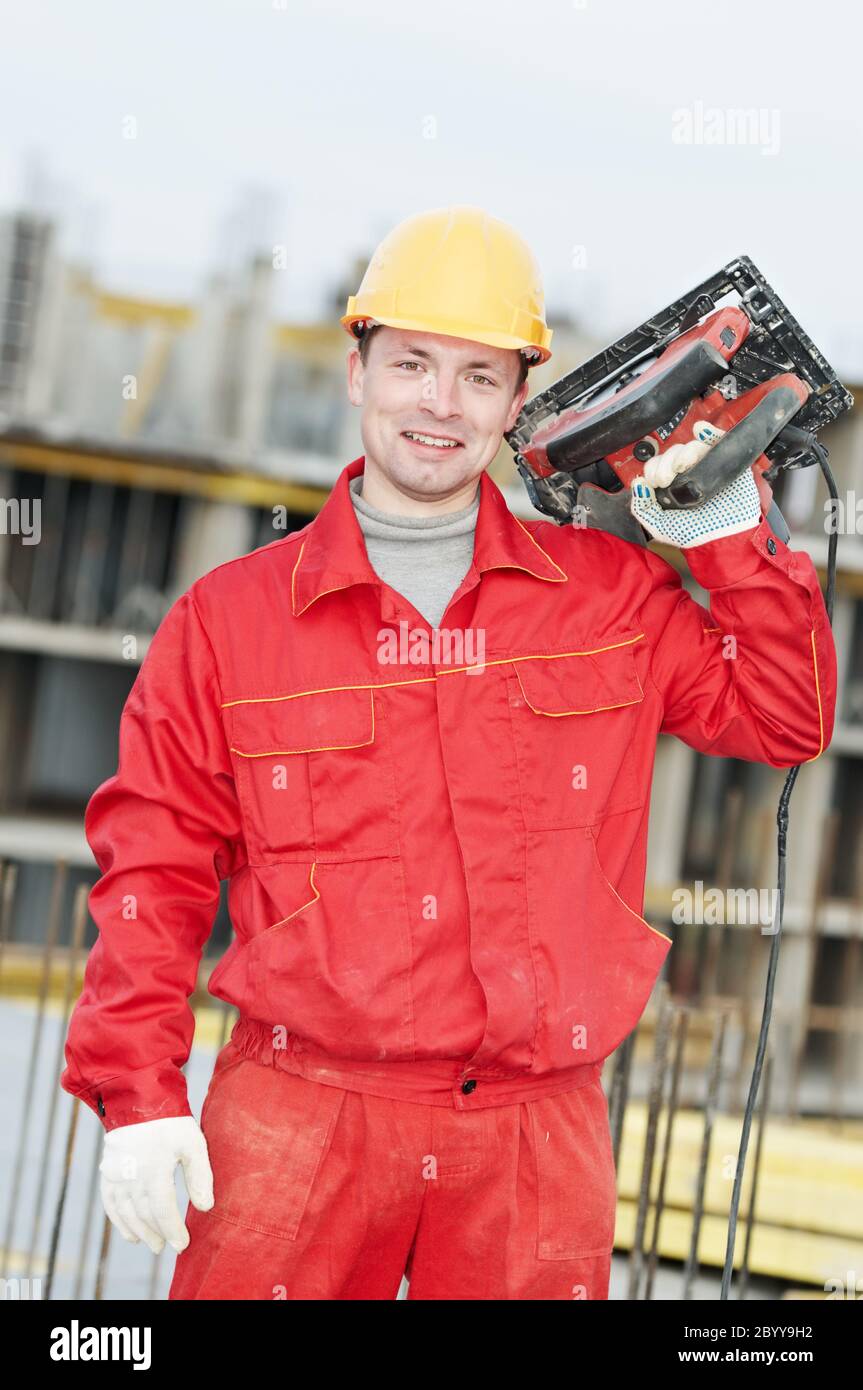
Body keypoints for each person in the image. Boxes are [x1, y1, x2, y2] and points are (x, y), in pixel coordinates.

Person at [60, 204, 837, 1300]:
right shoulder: (230, 620)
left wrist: (730, 542)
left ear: (517, 402)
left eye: (478, 377)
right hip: (300, 1118)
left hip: (532, 1133)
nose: (440, 402)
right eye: (412, 363)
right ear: (355, 371)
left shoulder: (609, 596)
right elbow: (154, 868)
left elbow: (783, 717)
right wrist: (137, 1095)